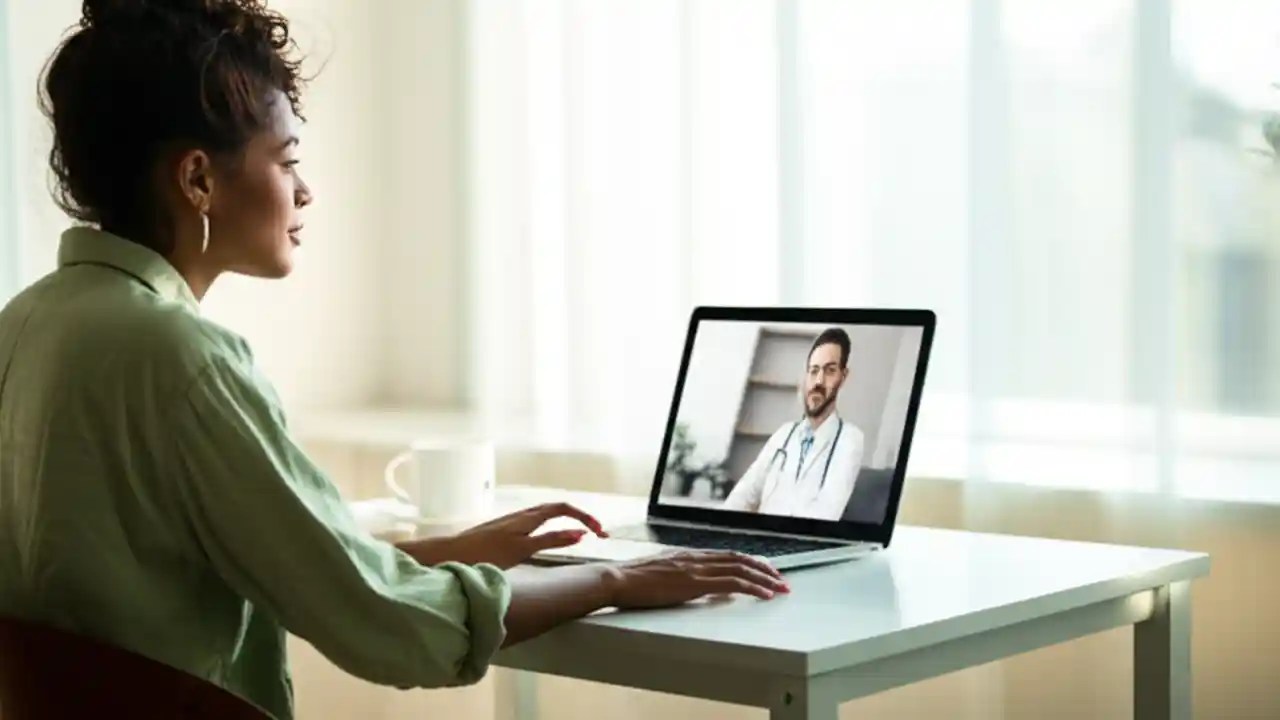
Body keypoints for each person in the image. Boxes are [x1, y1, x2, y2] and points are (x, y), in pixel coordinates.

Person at [0, 2, 786, 719]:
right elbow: (382, 626)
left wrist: (454, 549)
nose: (304, 192)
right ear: (198, 178)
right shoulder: (182, 357)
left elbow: (262, 561)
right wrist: (613, 581)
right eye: (286, 160)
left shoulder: (27, 324)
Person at [722, 328, 865, 520]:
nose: (819, 381)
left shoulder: (850, 439)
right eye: (813, 371)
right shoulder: (784, 434)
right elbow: (741, 498)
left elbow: (826, 516)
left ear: (843, 376)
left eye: (830, 371)